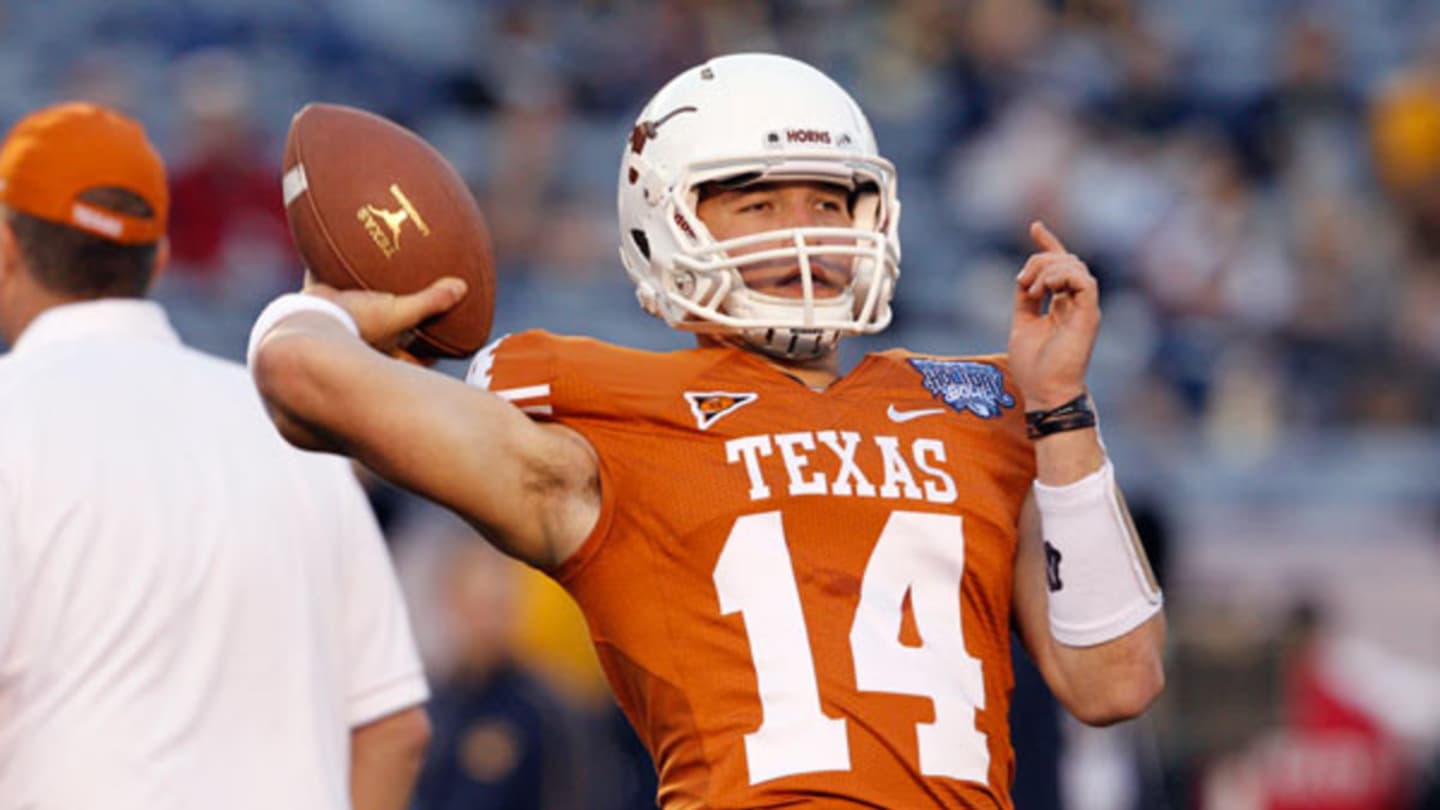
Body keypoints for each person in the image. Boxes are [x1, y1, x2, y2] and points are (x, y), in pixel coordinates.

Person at [250, 53, 1167, 808]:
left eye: (827, 201)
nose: (802, 235)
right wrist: (329, 311)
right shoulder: (612, 426)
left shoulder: (983, 409)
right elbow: (301, 376)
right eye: (758, 205)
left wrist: (1063, 409)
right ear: (670, 225)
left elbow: (1114, 681)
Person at [0, 102, 430, 810]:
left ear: (9, 247)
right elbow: (394, 729)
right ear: (159, 259)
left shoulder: (11, 418)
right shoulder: (292, 430)